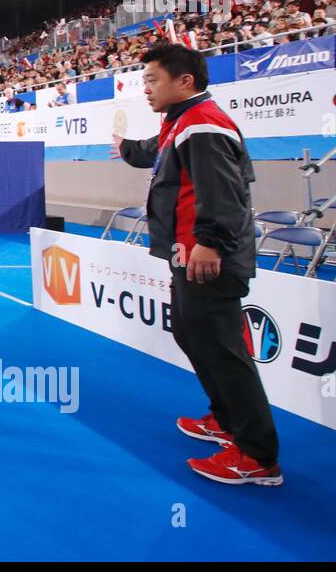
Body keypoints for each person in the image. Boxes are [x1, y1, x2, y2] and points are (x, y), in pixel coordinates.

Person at [111, 43, 281, 487]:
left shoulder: (203, 124)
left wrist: (210, 242)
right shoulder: (180, 122)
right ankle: (226, 422)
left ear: (184, 81)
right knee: (194, 336)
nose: (144, 88)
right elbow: (151, 150)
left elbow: (222, 193)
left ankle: (258, 457)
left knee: (224, 351)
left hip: (209, 259)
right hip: (187, 257)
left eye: (151, 79)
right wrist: (125, 147)